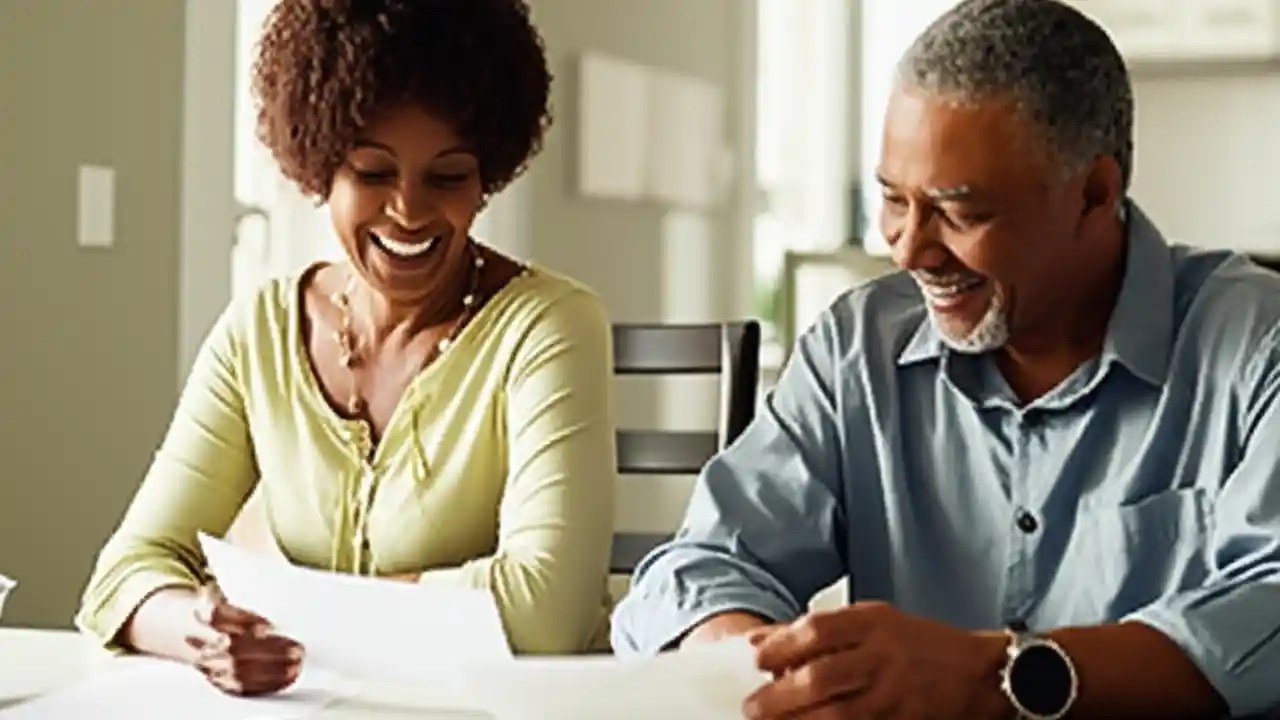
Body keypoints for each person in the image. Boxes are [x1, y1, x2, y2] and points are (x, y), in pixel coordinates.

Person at [612, 0, 1280, 718]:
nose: (907, 248)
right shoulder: (857, 349)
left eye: (960, 213)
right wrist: (770, 668)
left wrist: (990, 675)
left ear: (1094, 194)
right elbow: (700, 566)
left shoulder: (1256, 345)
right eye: (895, 200)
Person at [77, 0, 617, 697]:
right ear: (319, 168)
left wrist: (300, 619)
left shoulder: (550, 326)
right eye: (372, 173)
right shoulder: (261, 330)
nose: (410, 211)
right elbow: (124, 574)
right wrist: (206, 631)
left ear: (487, 178)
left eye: (447, 177)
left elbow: (548, 614)